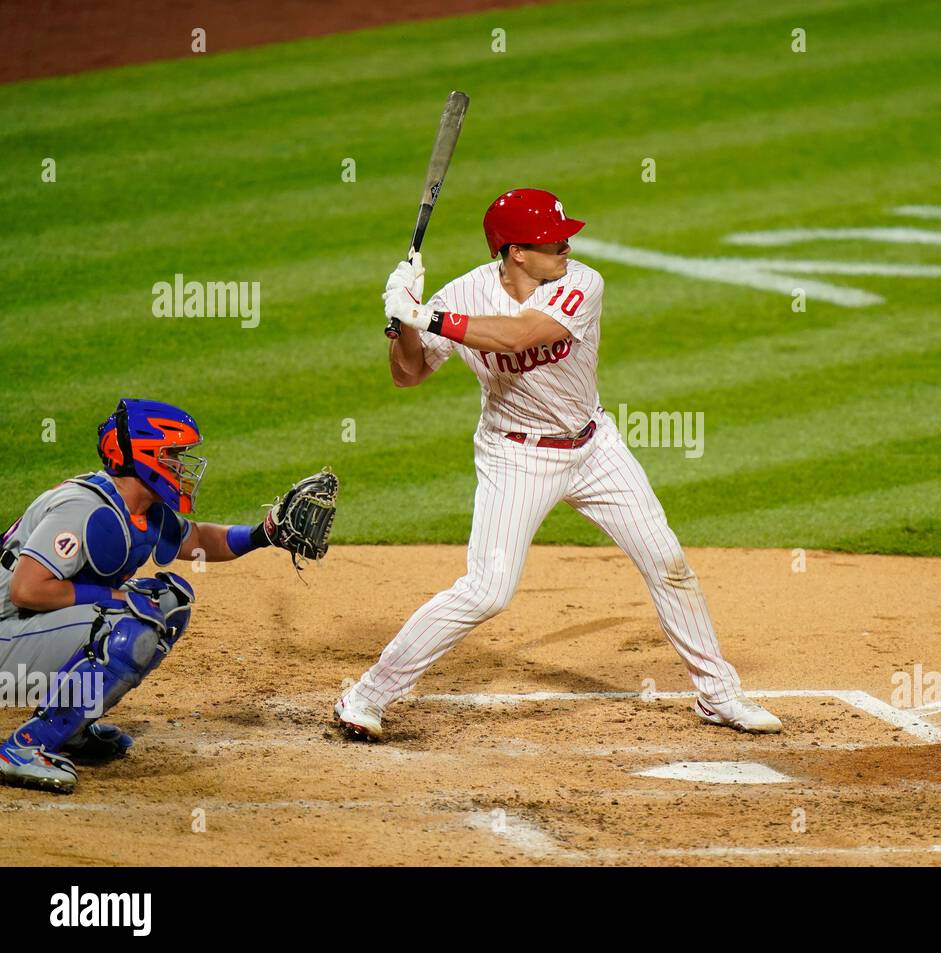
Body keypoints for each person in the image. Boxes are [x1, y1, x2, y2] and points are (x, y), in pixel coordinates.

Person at [335, 188, 781, 740]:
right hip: (514, 455)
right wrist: (399, 320)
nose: (567, 245)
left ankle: (719, 695)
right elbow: (408, 374)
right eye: (554, 240)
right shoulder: (464, 293)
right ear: (516, 251)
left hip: (595, 447)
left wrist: (427, 316)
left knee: (669, 562)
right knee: (487, 590)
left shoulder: (581, 283)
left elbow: (526, 333)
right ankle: (367, 695)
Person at [0, 398, 332, 792]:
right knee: (131, 624)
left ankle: (68, 727)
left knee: (168, 603)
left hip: (24, 636)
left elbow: (198, 539)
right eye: (173, 454)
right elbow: (27, 589)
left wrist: (265, 533)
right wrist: (114, 597)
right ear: (143, 455)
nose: (181, 465)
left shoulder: (141, 509)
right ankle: (22, 748)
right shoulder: (85, 509)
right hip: (8, 639)